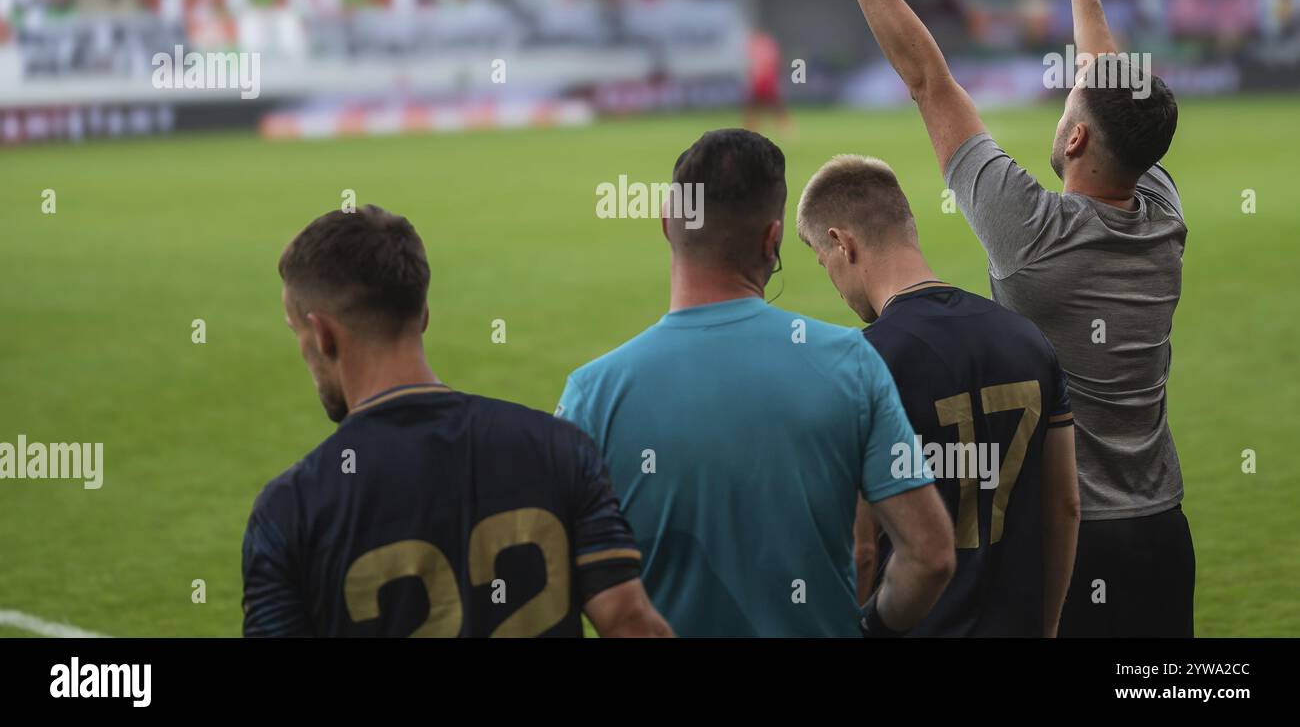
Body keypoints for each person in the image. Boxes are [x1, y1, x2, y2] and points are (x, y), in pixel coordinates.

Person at [822, 0, 1193, 636]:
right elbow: (1107, 81)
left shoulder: (1031, 235)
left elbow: (930, 81)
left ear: (1077, 136)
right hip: (1163, 529)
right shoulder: (1162, 210)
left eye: (1069, 104)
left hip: (1076, 536)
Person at [558, 129, 954, 637]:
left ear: (666, 225)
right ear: (772, 239)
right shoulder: (851, 363)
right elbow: (929, 556)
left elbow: (561, 575)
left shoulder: (592, 394)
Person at [243, 205, 671, 638]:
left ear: (321, 334)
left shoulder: (290, 510)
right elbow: (629, 622)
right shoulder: (560, 449)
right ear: (424, 315)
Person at [796, 154, 1079, 636]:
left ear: (842, 244)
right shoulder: (1027, 339)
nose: (837, 286)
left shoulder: (860, 364)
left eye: (825, 264)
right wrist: (1047, 627)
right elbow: (1065, 507)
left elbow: (861, 551)